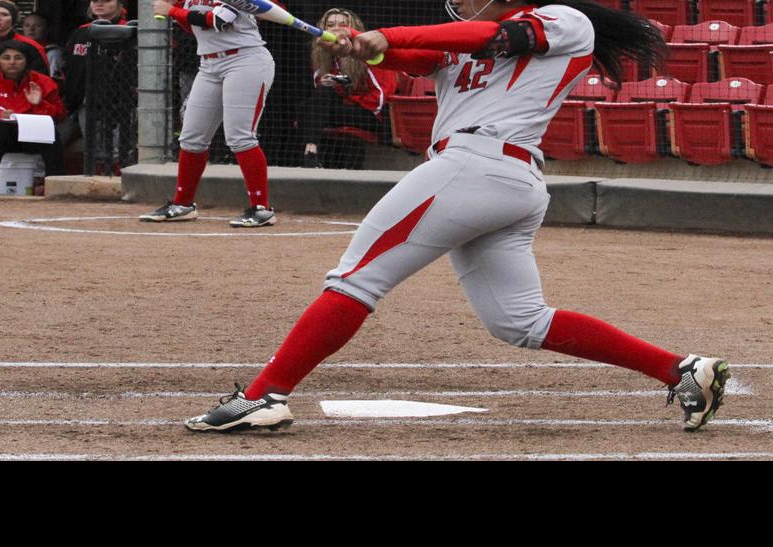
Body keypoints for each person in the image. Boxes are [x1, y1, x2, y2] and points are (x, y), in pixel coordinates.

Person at [184, 0, 731, 434]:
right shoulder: (464, 41)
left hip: (480, 165)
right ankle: (680, 369)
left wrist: (389, 38)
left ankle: (264, 396)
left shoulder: (564, 21)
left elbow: (488, 39)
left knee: (355, 278)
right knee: (520, 322)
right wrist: (364, 46)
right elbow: (421, 56)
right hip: (495, 178)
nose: (464, 3)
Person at [140, 0, 277, 228]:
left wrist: (172, 10)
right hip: (209, 63)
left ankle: (262, 208)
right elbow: (194, 28)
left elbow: (219, 21)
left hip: (245, 60)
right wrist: (177, 11)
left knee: (240, 137)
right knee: (191, 137)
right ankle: (183, 204)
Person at [0, 40, 66, 195]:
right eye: (6, 58)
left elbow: (60, 115)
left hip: (29, 136)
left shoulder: (42, 82)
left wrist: (39, 104)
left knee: (52, 135)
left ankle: (56, 185)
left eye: (18, 58)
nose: (12, 62)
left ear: (27, 61)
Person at [300, 8, 399, 168]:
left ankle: (311, 153)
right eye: (330, 25)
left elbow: (382, 96)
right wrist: (331, 84)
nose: (335, 29)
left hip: (371, 114)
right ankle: (311, 150)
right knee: (308, 105)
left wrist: (349, 94)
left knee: (310, 110)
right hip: (341, 110)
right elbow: (322, 94)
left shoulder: (368, 51)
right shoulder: (323, 56)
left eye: (342, 24)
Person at [59, 0, 130, 148]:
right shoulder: (81, 32)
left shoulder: (128, 30)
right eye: (95, 1)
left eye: (106, 0)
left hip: (120, 103)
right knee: (94, 151)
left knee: (117, 150)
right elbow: (68, 66)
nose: (99, 4)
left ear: (119, 3)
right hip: (83, 102)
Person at [22, 11, 64, 81]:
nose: (31, 29)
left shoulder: (52, 53)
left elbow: (55, 80)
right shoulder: (17, 49)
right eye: (27, 25)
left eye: (37, 26)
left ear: (47, 29)